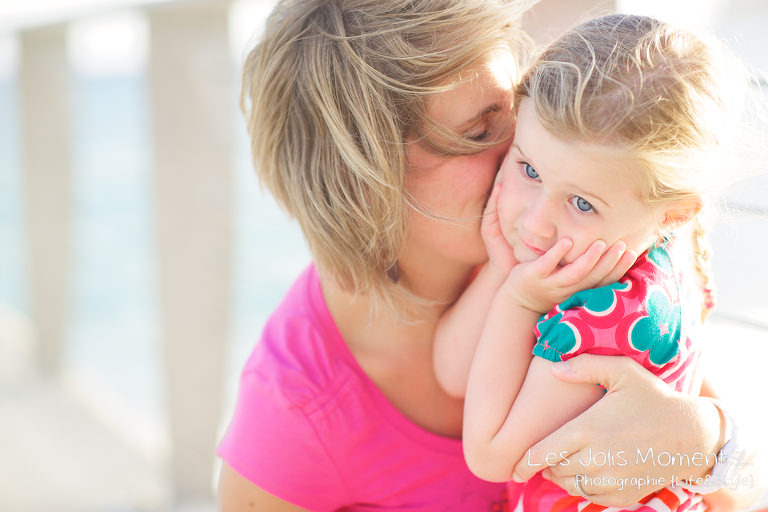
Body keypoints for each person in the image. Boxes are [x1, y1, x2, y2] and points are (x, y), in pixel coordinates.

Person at [216, 1, 763, 511]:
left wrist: (708, 443)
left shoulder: (574, 249)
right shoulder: (293, 417)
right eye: (480, 131)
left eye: (515, 108)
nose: (532, 147)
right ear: (365, 184)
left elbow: (746, 489)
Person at [433, 13, 759, 512]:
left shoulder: (602, 322)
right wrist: (504, 272)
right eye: (529, 169)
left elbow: (491, 454)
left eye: (581, 203)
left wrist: (518, 300)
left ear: (674, 211)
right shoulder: (654, 241)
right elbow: (455, 374)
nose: (537, 223)